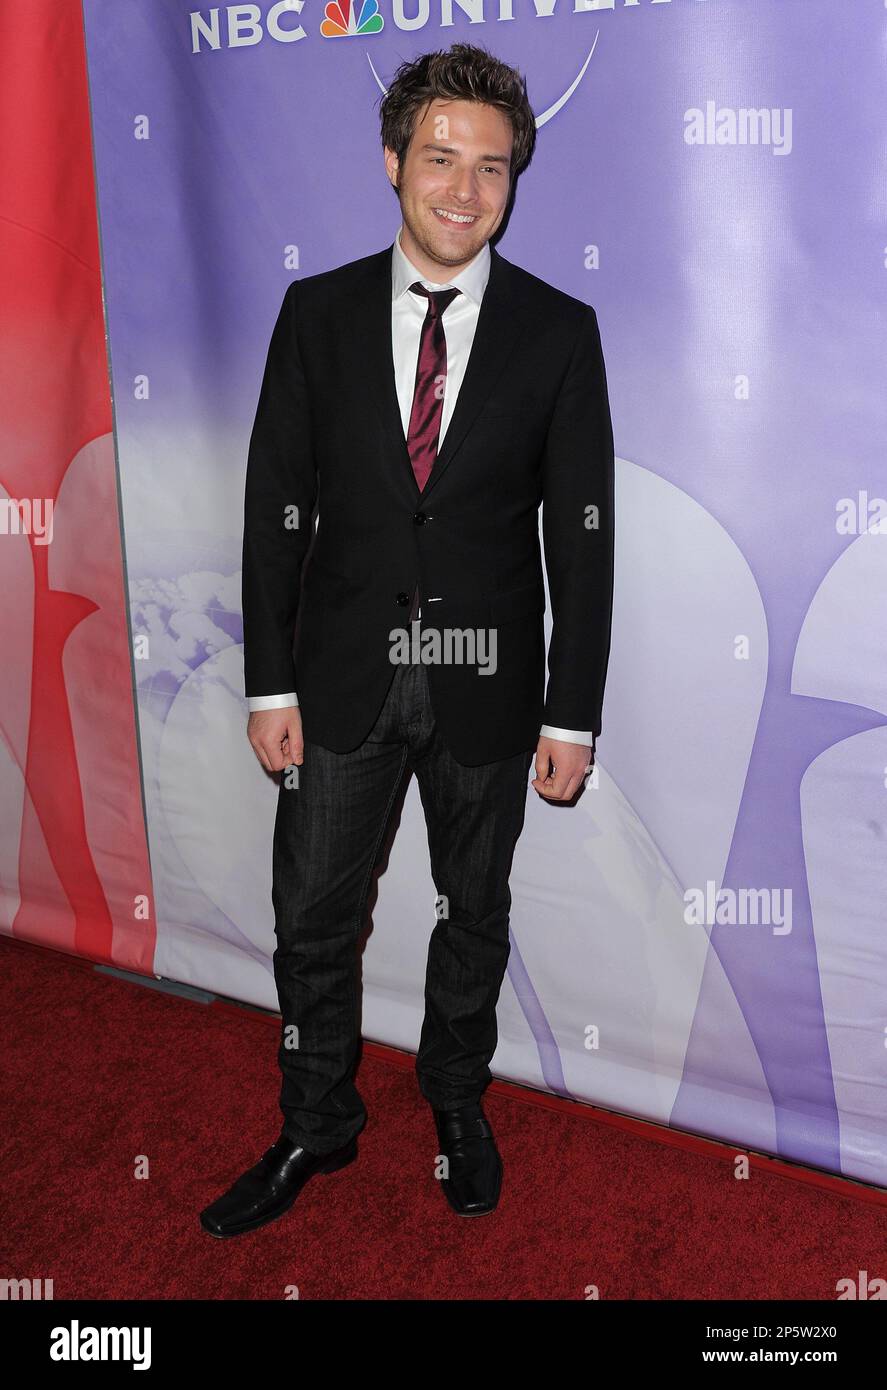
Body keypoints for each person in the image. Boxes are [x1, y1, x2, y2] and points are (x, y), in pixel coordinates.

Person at [200, 41, 614, 1238]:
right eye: (439, 158)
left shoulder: (557, 330)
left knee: (470, 914)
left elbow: (580, 538)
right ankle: (314, 1122)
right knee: (313, 918)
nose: (463, 189)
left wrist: (570, 710)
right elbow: (275, 504)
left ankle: (455, 1103)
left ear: (510, 181)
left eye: (490, 167)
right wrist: (266, 678)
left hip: (488, 691)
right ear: (391, 162)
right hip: (337, 681)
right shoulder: (315, 312)